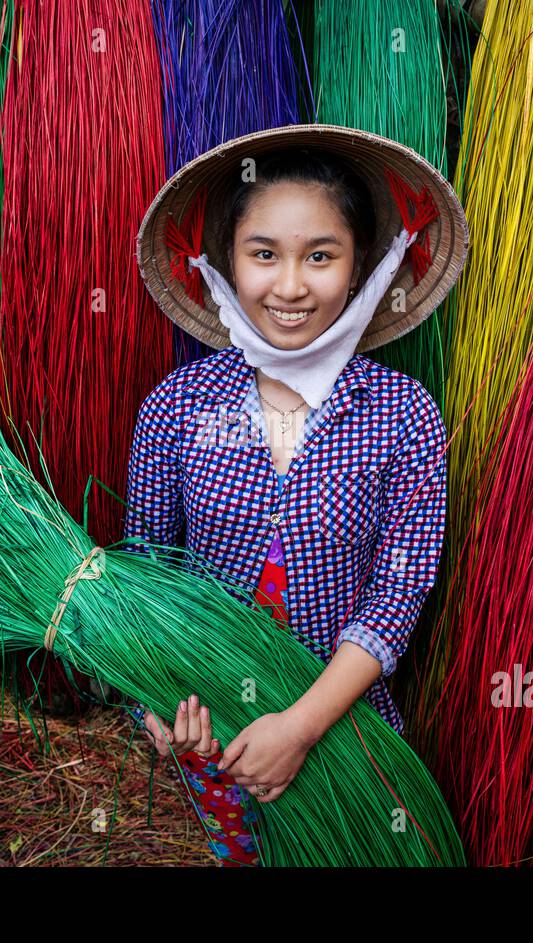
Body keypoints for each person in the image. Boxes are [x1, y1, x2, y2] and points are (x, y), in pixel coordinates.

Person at [125, 124, 468, 865]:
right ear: (224, 265)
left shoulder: (403, 415)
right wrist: (156, 701)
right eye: (263, 255)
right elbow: (146, 577)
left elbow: (398, 595)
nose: (289, 286)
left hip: (344, 738)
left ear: (361, 267)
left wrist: (300, 729)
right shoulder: (176, 408)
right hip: (207, 735)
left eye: (320, 255)